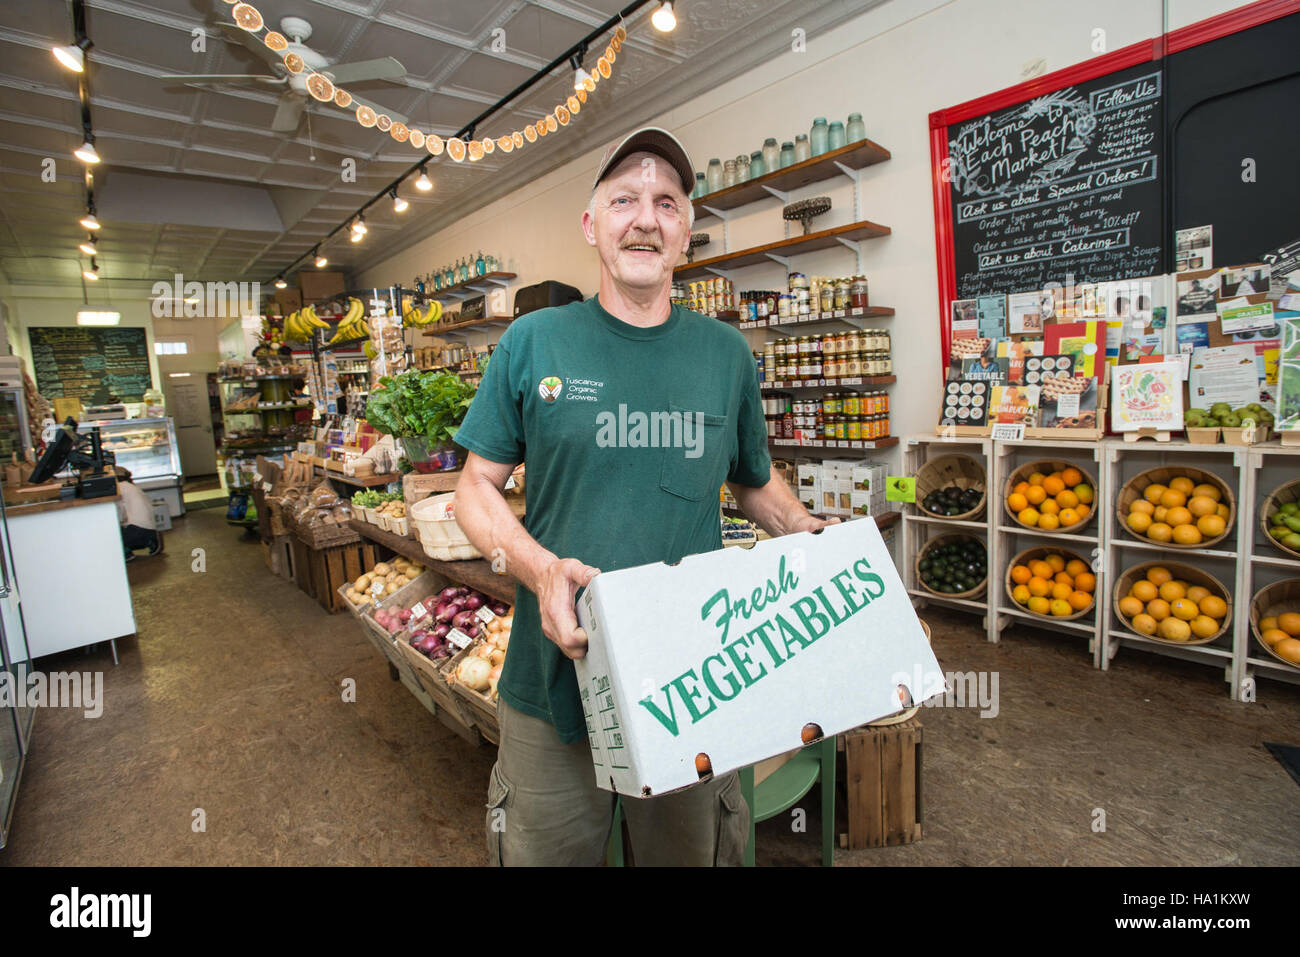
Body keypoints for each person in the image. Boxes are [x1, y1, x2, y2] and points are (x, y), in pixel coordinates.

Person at [452, 127, 836, 867]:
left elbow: (752, 479)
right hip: (552, 683)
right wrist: (537, 569)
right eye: (623, 199)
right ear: (592, 225)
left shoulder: (725, 354)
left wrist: (803, 528)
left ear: (687, 232)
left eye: (667, 202)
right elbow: (475, 487)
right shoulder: (534, 341)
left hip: (691, 685)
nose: (645, 217)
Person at [116, 467, 162, 561]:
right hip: (150, 528)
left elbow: (119, 515)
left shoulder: (119, 488)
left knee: (110, 535)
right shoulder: (132, 487)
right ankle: (150, 540)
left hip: (135, 531)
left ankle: (126, 552)